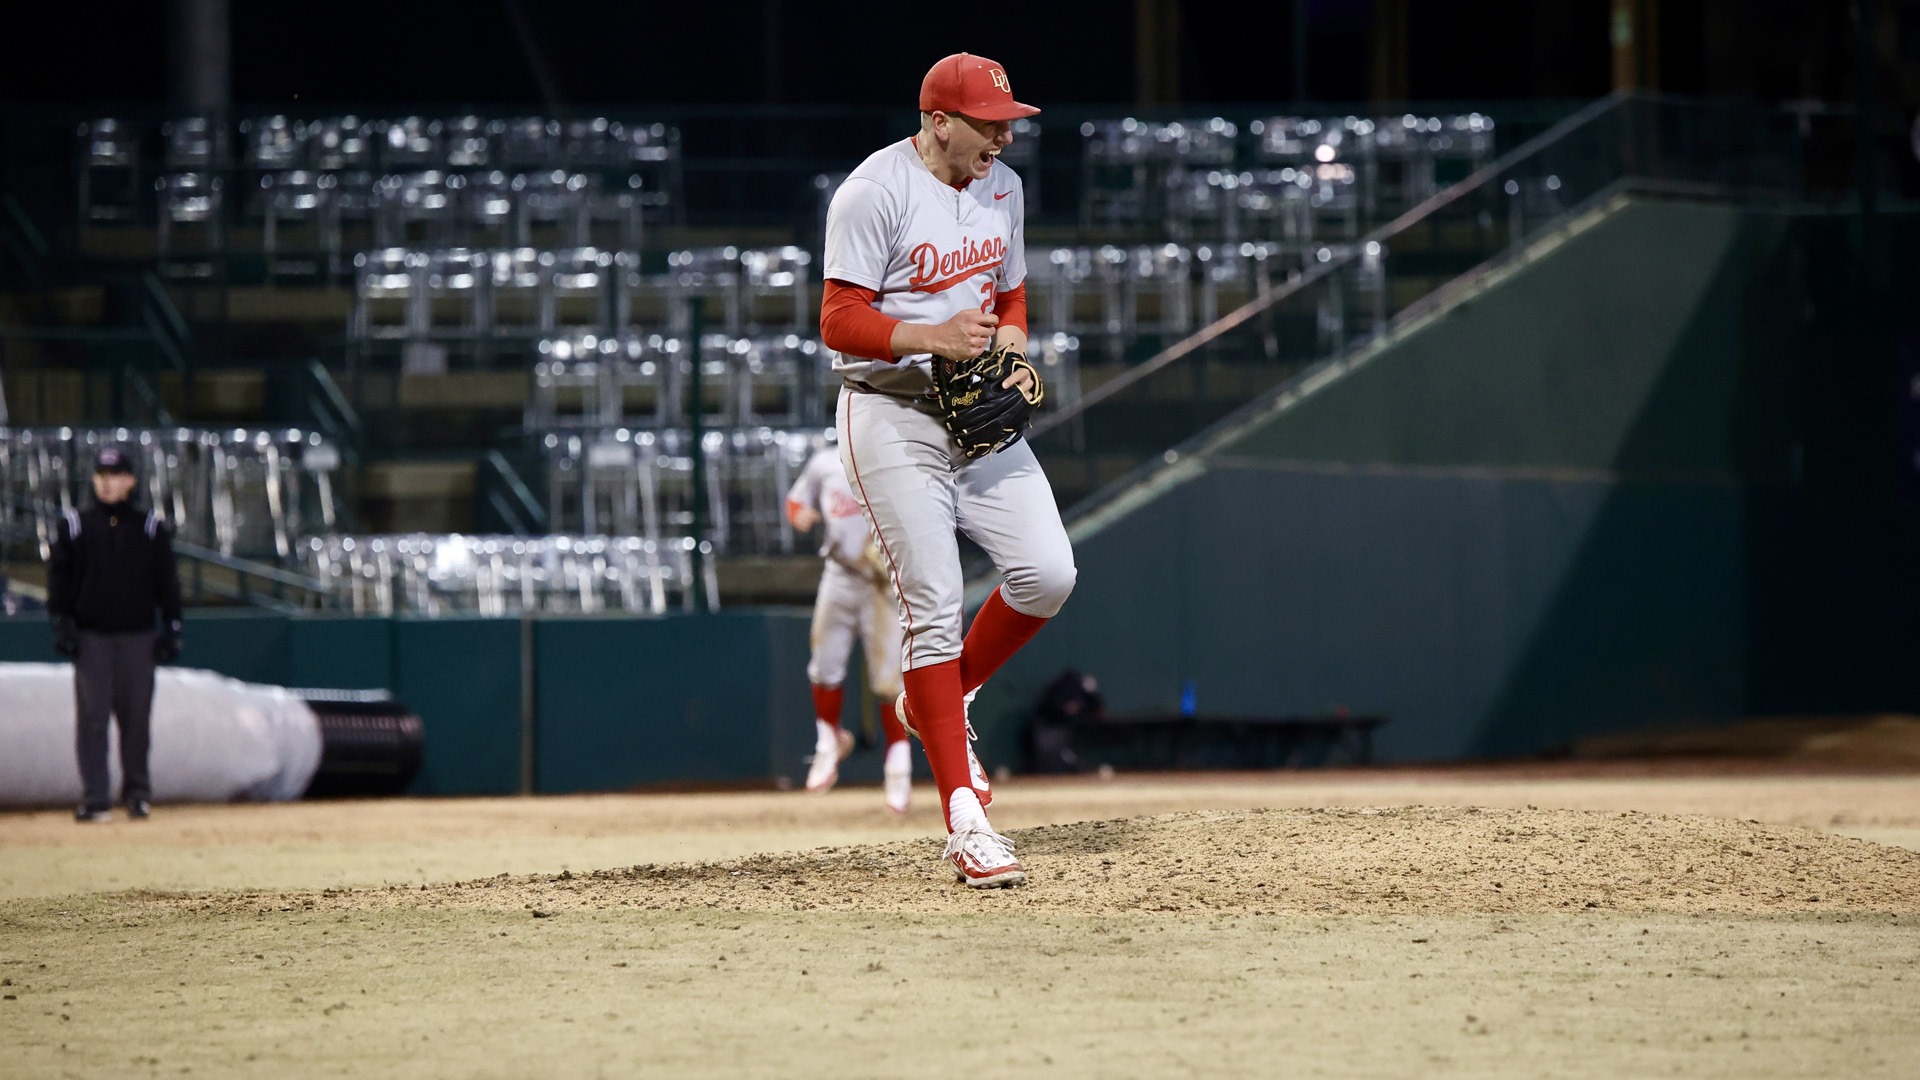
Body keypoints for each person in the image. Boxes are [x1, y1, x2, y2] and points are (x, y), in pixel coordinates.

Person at [818, 53, 1076, 887]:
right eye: (987, 121)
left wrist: (1008, 342)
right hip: (889, 409)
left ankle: (940, 699)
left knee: (1047, 574)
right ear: (937, 121)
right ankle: (966, 821)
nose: (1003, 135)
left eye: (1007, 121)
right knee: (932, 604)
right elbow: (838, 319)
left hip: (971, 411)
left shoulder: (1003, 188)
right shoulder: (873, 190)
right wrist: (931, 338)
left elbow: (1010, 296)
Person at [47, 445, 184, 823]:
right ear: (94, 480)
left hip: (138, 636)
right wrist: (62, 623)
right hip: (92, 636)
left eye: (116, 476)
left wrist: (172, 626)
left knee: (136, 717)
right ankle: (95, 797)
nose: (108, 484)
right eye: (102, 476)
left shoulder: (149, 527)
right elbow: (59, 580)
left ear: (130, 481)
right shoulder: (75, 526)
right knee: (93, 718)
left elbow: (167, 582)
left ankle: (138, 794)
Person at [785, 442, 913, 810]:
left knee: (890, 681)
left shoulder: (893, 457)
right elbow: (795, 501)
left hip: (882, 581)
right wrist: (799, 516)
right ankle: (827, 743)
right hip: (840, 573)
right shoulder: (826, 462)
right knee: (824, 665)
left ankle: (898, 767)